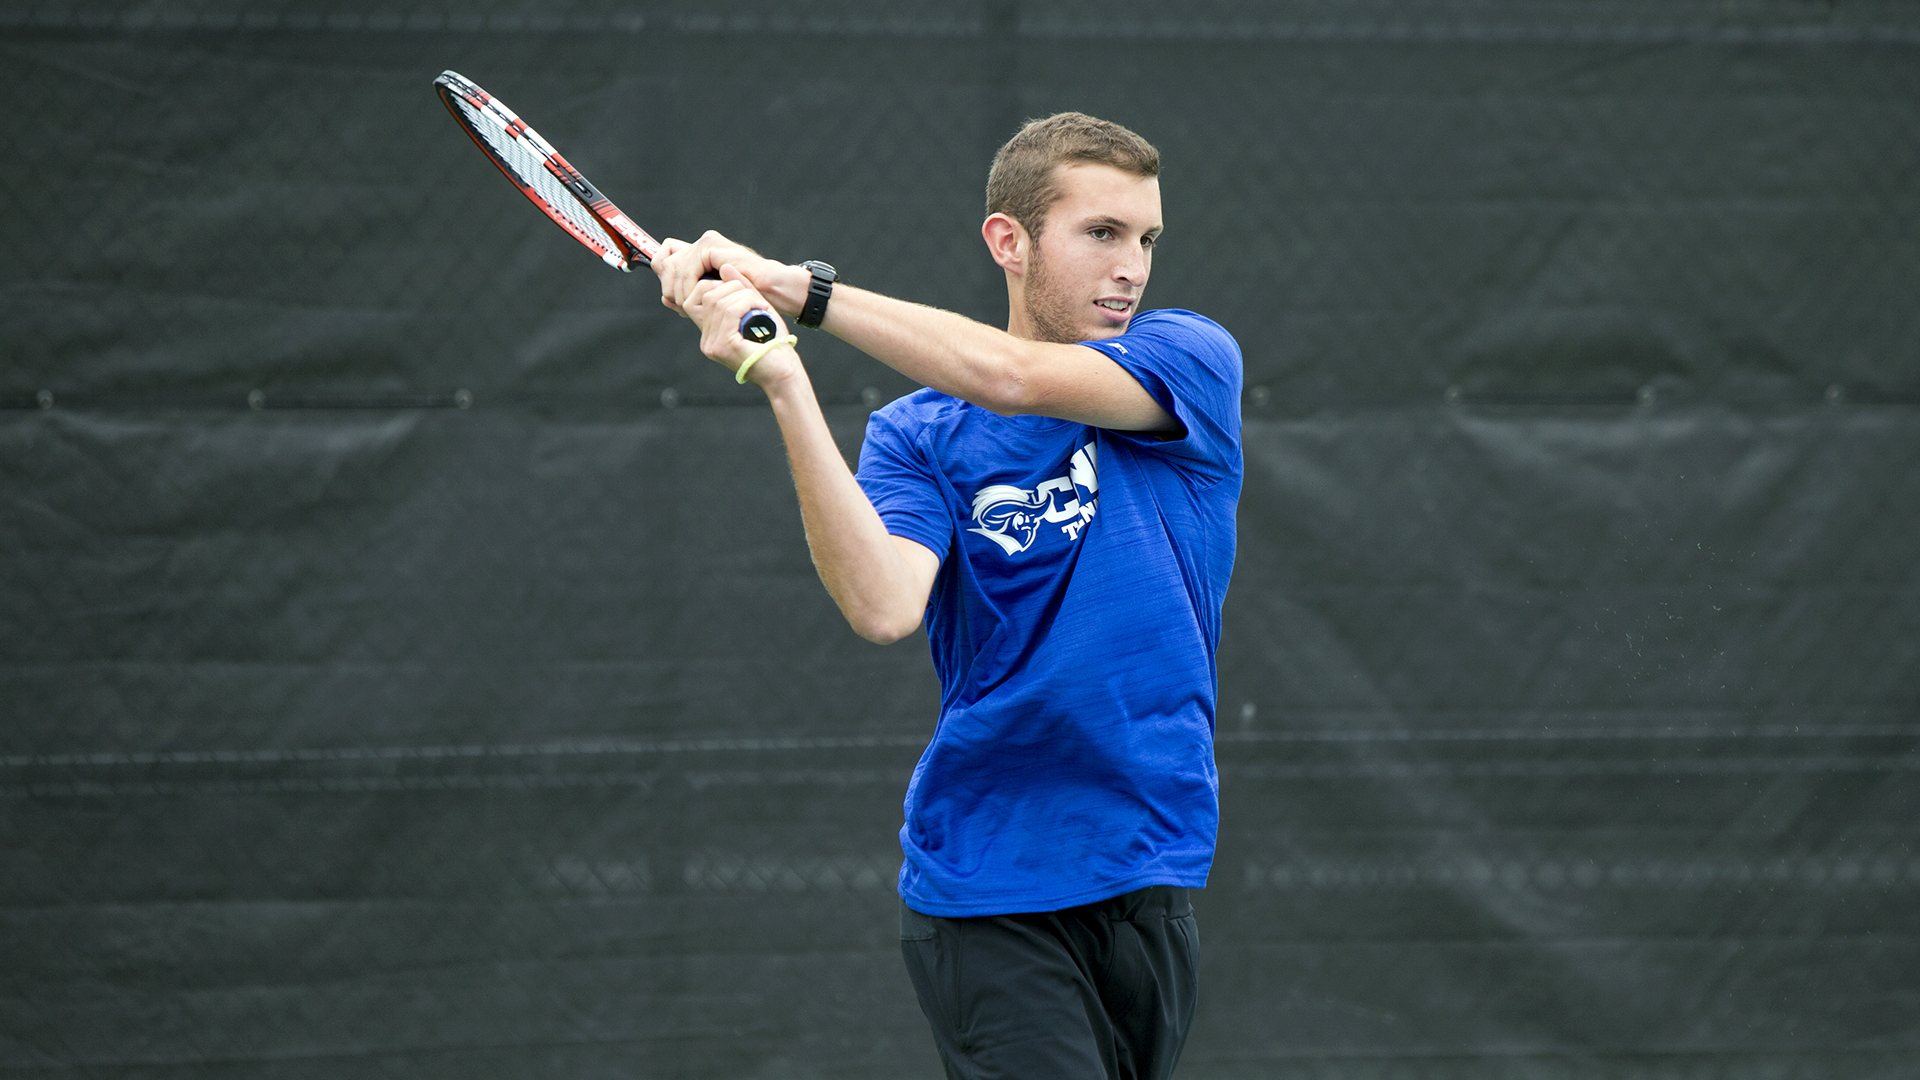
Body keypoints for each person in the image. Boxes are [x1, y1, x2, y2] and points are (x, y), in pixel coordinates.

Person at [654, 113, 1242, 1080]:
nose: (1132, 265)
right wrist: (786, 381)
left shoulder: (1189, 362)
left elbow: (1009, 377)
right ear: (1010, 242)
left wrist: (796, 288)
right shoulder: (917, 437)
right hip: (986, 882)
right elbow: (885, 604)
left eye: (1146, 239)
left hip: (1151, 864)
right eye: (1101, 233)